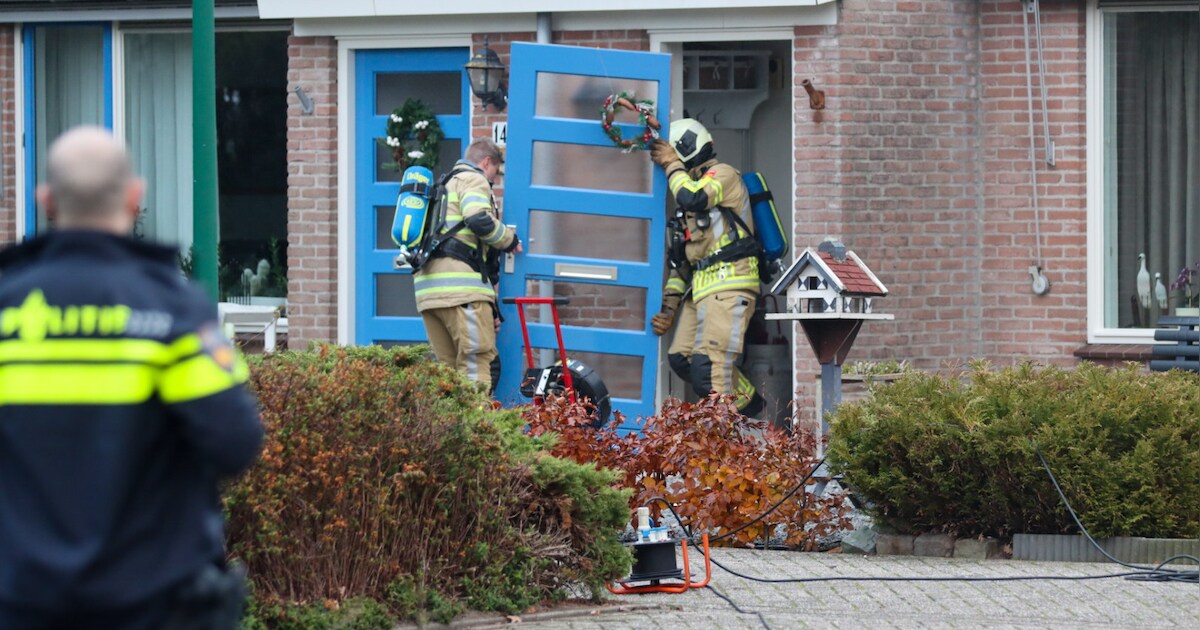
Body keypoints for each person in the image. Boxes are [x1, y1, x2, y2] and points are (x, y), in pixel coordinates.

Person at [0, 126, 264, 629]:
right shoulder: (171, 310)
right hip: (151, 602)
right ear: (134, 196)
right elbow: (237, 443)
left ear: (46, 199)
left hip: (22, 600)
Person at [649, 119, 765, 417]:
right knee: (681, 360)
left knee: (709, 374)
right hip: (701, 290)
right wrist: (668, 310)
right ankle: (751, 406)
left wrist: (672, 165)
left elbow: (695, 196)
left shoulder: (723, 175)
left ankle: (739, 443)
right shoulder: (684, 211)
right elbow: (680, 267)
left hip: (730, 284)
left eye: (672, 156)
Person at [414, 138, 521, 394]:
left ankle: (447, 432)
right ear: (486, 162)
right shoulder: (472, 179)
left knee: (449, 376)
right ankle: (476, 433)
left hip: (428, 295)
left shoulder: (443, 185)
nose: (493, 180)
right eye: (495, 173)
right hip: (461, 292)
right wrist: (509, 240)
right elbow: (478, 219)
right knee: (476, 368)